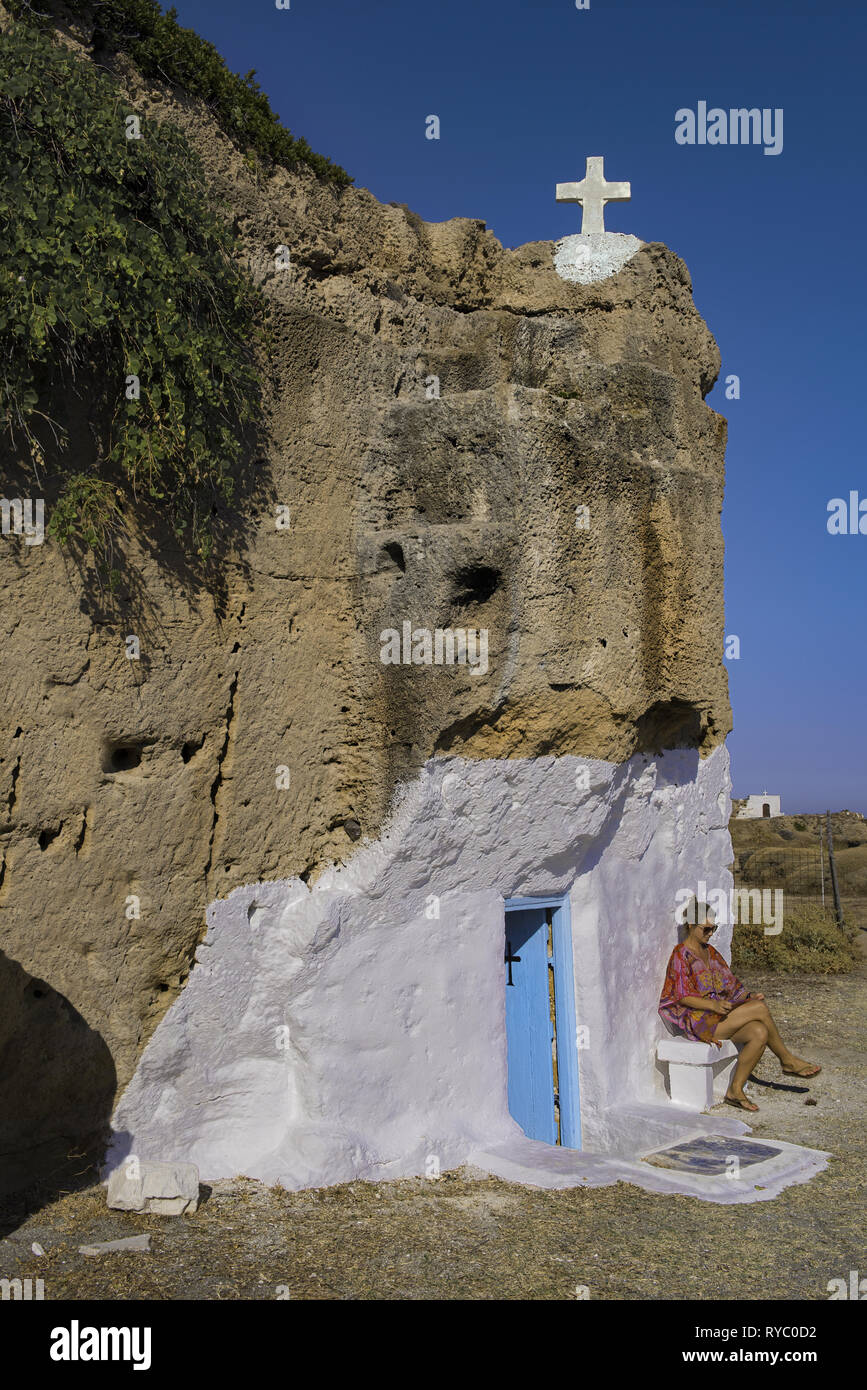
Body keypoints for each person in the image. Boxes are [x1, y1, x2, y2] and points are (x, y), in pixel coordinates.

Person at [659, 899, 821, 1112]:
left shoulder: (711, 952)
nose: (710, 933)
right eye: (706, 928)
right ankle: (787, 1060)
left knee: (759, 1031)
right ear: (691, 925)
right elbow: (681, 996)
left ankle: (735, 1090)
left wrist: (749, 995)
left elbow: (730, 984)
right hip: (699, 1021)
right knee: (760, 1009)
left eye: (713, 928)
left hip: (718, 1016)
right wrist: (712, 1005)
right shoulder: (681, 955)